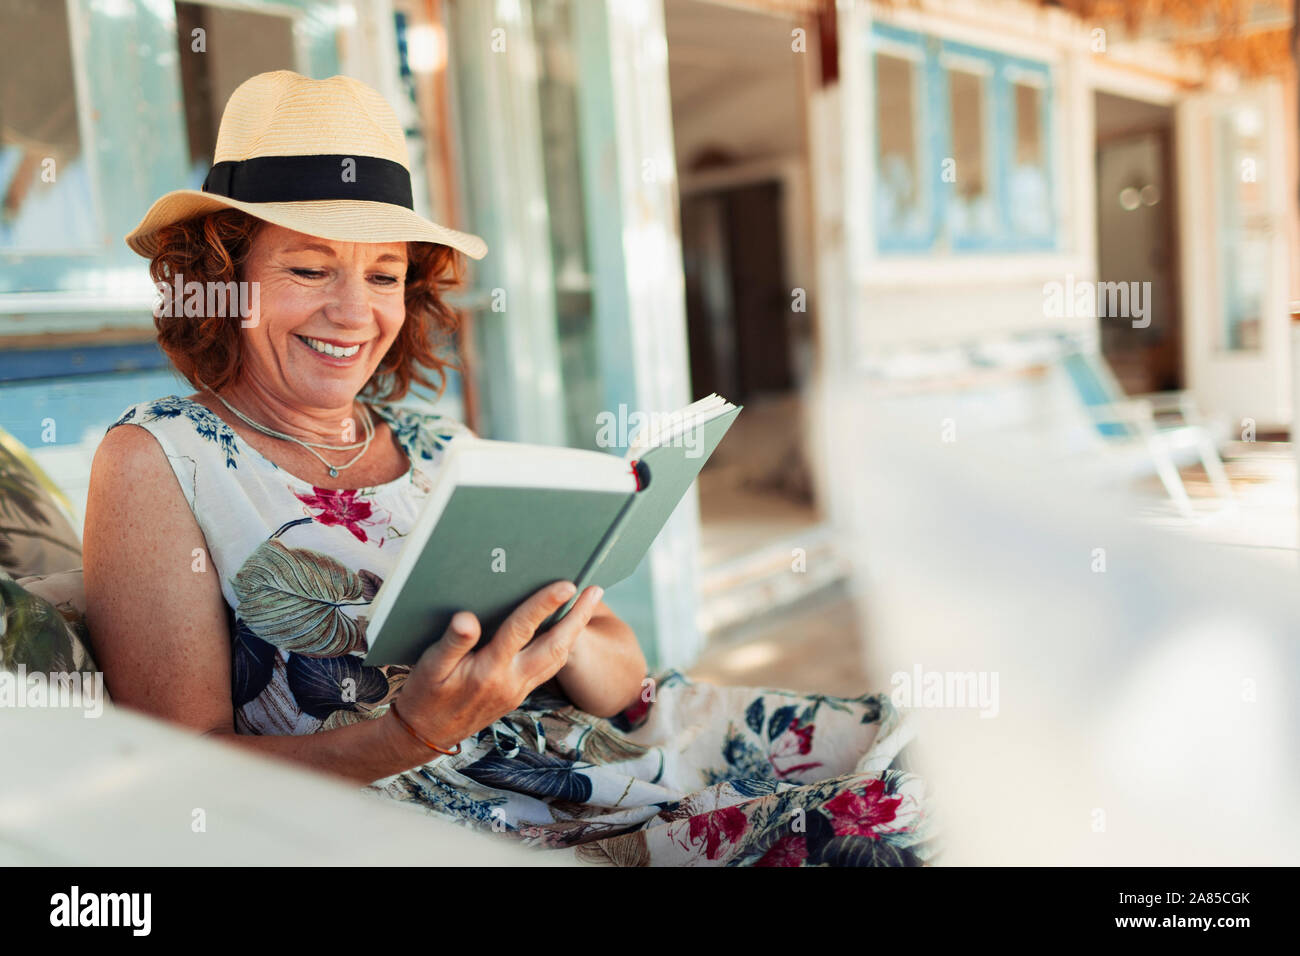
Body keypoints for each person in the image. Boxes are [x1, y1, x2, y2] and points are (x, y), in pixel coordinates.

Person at [83, 70, 935, 866]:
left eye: (384, 274)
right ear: (223, 279)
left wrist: (558, 627)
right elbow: (182, 779)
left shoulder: (438, 445)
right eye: (309, 268)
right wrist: (408, 735)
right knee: (917, 818)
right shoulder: (162, 458)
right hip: (490, 819)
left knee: (955, 750)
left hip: (622, 748)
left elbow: (620, 679)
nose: (353, 311)